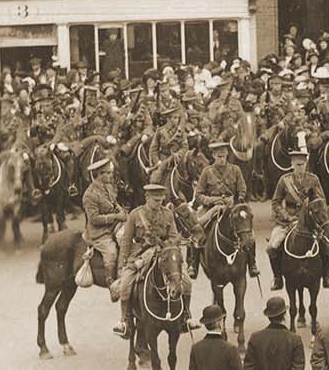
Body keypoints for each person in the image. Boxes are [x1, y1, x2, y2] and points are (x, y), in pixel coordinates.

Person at [110, 182, 185, 339]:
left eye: (161, 200)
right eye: (155, 200)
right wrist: (122, 265)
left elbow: (173, 236)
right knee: (125, 284)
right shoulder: (135, 215)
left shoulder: (168, 214)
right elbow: (126, 241)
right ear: (147, 198)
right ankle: (125, 321)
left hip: (163, 253)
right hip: (139, 254)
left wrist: (165, 246)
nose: (159, 204)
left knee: (186, 282)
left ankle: (185, 317)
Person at [268, 146, 329, 290]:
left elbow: (321, 201)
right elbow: (276, 202)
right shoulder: (284, 180)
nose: (300, 168)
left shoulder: (313, 179)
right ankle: (278, 278)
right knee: (272, 246)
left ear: (306, 164)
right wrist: (287, 216)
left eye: (302, 164)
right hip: (288, 220)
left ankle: (327, 276)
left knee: (328, 245)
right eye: (297, 165)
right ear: (292, 164)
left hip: (310, 220)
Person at [191, 139, 255, 280]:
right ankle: (193, 265)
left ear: (227, 155)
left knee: (249, 233)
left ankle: (252, 264)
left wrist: (236, 199)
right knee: (197, 230)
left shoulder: (235, 170)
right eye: (219, 156)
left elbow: (242, 189)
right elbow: (198, 195)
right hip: (212, 208)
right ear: (213, 156)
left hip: (232, 207)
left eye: (224, 156)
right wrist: (212, 200)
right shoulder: (207, 172)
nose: (221, 159)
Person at [81, 157, 126, 286]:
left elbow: (114, 203)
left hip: (114, 226)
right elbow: (94, 219)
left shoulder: (108, 187)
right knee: (111, 253)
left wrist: (121, 211)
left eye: (110, 172)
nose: (111, 176)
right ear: (99, 175)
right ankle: (111, 282)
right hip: (100, 232)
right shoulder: (90, 195)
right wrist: (116, 216)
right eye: (108, 173)